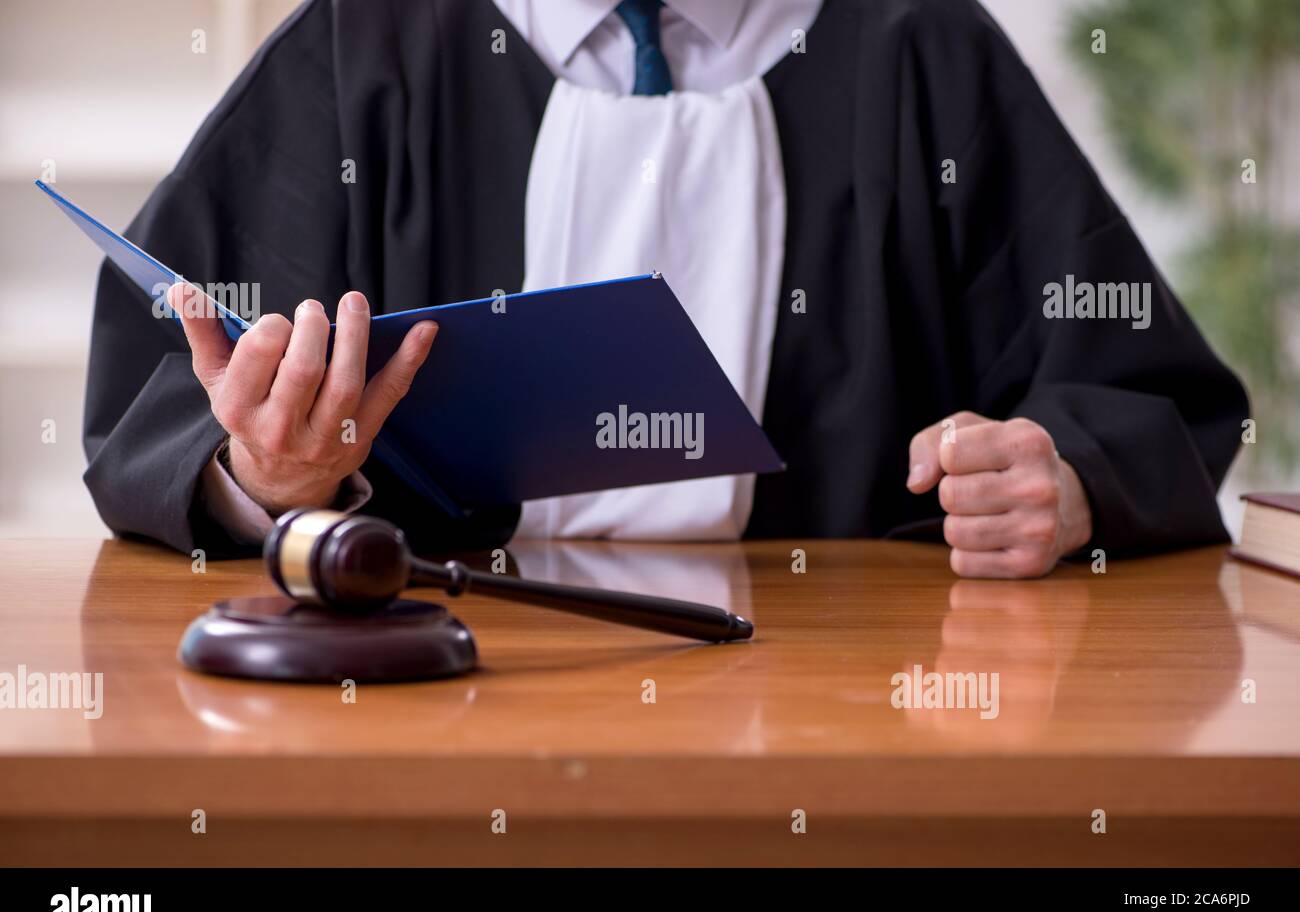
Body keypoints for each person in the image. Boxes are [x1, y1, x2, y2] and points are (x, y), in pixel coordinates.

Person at [83, 0, 1248, 577]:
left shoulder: (916, 43)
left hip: (847, 731)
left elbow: (1146, 395)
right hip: (435, 707)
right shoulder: (369, 43)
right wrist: (266, 479)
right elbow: (170, 392)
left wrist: (1070, 483)